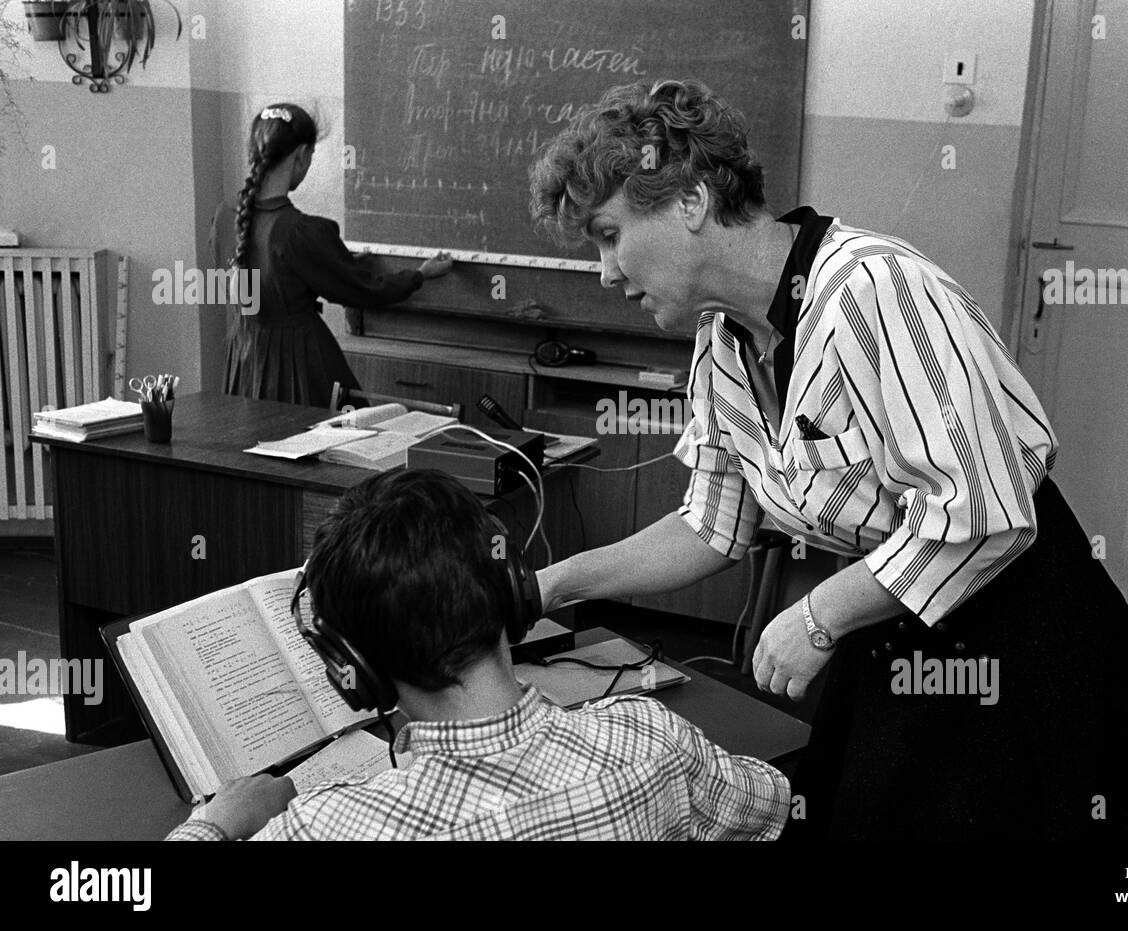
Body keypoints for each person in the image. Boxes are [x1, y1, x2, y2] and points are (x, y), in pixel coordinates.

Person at [527, 79, 1128, 840]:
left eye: (608, 234)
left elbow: (981, 517)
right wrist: (549, 585)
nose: (606, 273)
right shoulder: (722, 342)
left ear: (687, 201)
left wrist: (821, 615)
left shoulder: (876, 289)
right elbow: (711, 526)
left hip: (1023, 639)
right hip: (899, 625)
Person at [166, 469, 790, 841]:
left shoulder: (327, 826)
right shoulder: (653, 741)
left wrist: (218, 825)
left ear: (352, 669)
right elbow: (773, 804)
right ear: (515, 594)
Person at [211, 103, 454, 407]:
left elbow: (266, 275)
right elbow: (362, 290)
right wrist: (420, 275)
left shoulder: (225, 215)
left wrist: (337, 262)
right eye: (310, 157)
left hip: (245, 358)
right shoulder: (301, 232)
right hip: (298, 363)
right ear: (301, 155)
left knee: (255, 445)